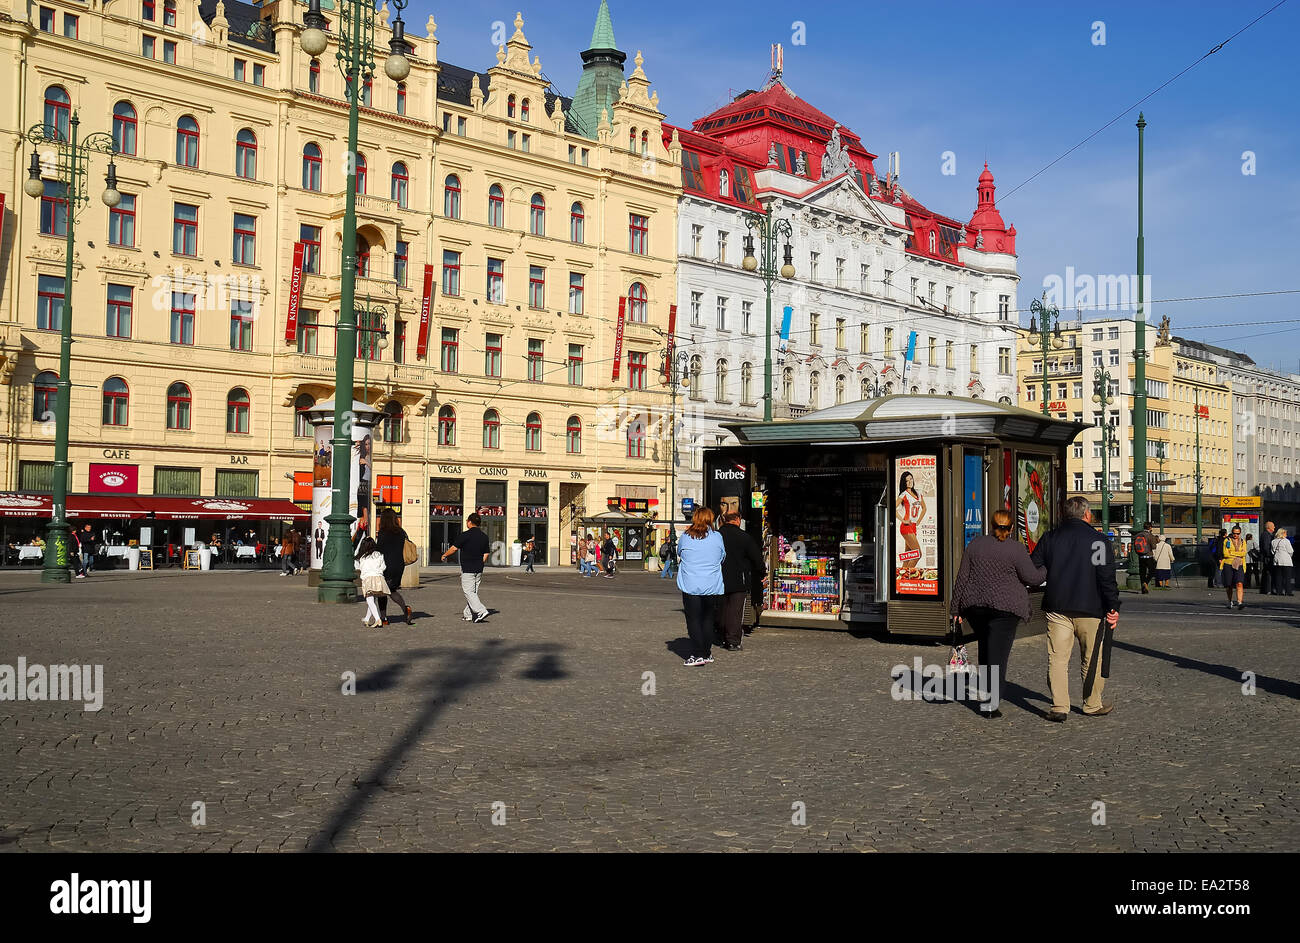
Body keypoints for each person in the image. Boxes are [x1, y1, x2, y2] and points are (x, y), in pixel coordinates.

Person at [1030, 496, 1121, 721]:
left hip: (1058, 607)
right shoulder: (1098, 541)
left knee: (1058, 658)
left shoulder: (1050, 538)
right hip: (1091, 608)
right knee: (1092, 658)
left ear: (1065, 514)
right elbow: (1106, 577)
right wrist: (1113, 606)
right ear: (1087, 514)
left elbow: (1034, 568)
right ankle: (1092, 704)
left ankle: (1060, 707)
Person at [949, 509, 1047, 718]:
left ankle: (987, 695)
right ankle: (991, 705)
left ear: (991, 526)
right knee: (998, 657)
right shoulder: (1015, 549)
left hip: (976, 608)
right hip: (1005, 609)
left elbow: (962, 578)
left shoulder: (975, 545)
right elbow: (1033, 578)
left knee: (986, 651)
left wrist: (955, 609)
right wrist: (1046, 569)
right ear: (1011, 528)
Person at [677, 507, 725, 667]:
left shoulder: (686, 536)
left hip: (691, 584)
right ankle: (706, 652)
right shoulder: (717, 537)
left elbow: (680, 553)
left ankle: (697, 654)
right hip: (711, 584)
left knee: (694, 619)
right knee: (708, 619)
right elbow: (722, 556)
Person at [717, 512, 765, 652]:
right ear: (738, 520)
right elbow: (756, 559)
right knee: (736, 611)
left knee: (722, 608)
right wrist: (761, 573)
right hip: (739, 579)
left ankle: (721, 636)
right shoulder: (745, 537)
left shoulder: (716, 536)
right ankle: (733, 641)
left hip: (719, 578)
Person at [441, 512, 490, 623]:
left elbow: (454, 548)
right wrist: (480, 563)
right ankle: (468, 614)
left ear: (469, 522)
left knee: (469, 592)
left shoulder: (465, 535)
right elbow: (486, 553)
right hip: (479, 568)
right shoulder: (484, 536)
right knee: (473, 593)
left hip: (468, 568)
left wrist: (444, 555)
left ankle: (481, 611)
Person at [374, 509, 415, 625]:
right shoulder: (401, 532)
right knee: (392, 590)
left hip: (386, 565)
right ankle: (405, 609)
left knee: (382, 591)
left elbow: (379, 549)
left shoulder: (383, 532)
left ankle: (384, 618)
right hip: (398, 565)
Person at [895, 471, 927, 573]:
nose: (909, 482)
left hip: (913, 526)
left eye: (911, 479)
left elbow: (924, 508)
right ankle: (907, 576)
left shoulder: (918, 493)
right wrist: (903, 520)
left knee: (908, 555)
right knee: (918, 554)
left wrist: (918, 521)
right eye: (907, 481)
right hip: (906, 527)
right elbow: (893, 508)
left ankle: (901, 578)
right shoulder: (904, 494)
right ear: (904, 483)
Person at [355, 537, 389, 628]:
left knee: (369, 600)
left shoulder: (363, 557)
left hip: (368, 578)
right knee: (373, 600)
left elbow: (363, 569)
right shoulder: (379, 554)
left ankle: (378, 619)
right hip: (379, 578)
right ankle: (367, 619)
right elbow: (384, 566)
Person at [1220, 525, 1248, 610]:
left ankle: (1239, 602)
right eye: (1234, 533)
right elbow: (1225, 554)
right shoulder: (1227, 540)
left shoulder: (1243, 541)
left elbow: (1244, 553)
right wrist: (1237, 553)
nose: (1236, 535)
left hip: (1239, 564)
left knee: (1239, 583)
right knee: (1229, 585)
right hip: (1228, 564)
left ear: (1240, 533)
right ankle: (1230, 601)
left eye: (1238, 533)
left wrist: (1232, 553)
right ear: (1231, 533)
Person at [1133, 522, 1155, 594]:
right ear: (1150, 528)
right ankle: (1146, 583)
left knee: (1142, 572)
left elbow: (1135, 546)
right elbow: (1154, 546)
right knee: (1152, 571)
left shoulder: (1138, 535)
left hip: (1141, 556)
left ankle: (1144, 589)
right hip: (1149, 556)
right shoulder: (1150, 535)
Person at [1272, 527, 1294, 596]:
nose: (1286, 534)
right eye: (1285, 533)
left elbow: (1272, 551)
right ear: (1283, 533)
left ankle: (1279, 591)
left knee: (1278, 577)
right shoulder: (1286, 541)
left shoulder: (1273, 541)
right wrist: (1289, 556)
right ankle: (1288, 591)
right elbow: (1291, 551)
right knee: (1287, 577)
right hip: (1286, 561)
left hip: (1277, 561)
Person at [1260, 520, 1277, 595]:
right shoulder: (1266, 535)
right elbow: (1266, 547)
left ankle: (1265, 589)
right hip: (1267, 557)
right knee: (1268, 573)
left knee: (1266, 573)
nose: (1274, 527)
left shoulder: (1267, 534)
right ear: (1269, 527)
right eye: (1273, 526)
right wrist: (1270, 554)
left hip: (1267, 556)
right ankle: (1268, 589)